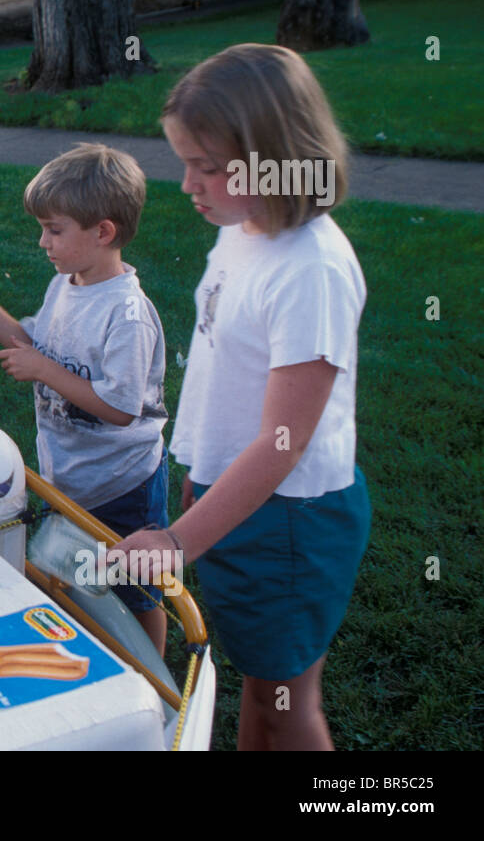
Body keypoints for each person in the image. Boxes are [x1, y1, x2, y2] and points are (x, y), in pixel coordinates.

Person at [113, 43, 370, 750]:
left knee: (287, 706)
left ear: (282, 156)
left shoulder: (311, 269)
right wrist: (201, 486)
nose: (189, 183)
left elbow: (282, 446)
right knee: (263, 687)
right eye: (184, 161)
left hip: (287, 522)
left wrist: (175, 540)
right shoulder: (244, 230)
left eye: (209, 166)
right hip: (236, 501)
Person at [0, 143, 170, 654]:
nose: (43, 242)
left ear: (103, 232)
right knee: (83, 576)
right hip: (72, 476)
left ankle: (160, 679)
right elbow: (31, 342)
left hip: (123, 483)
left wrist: (46, 372)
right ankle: (103, 650)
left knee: (137, 590)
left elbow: (122, 409)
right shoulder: (67, 282)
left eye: (54, 230)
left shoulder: (125, 315)